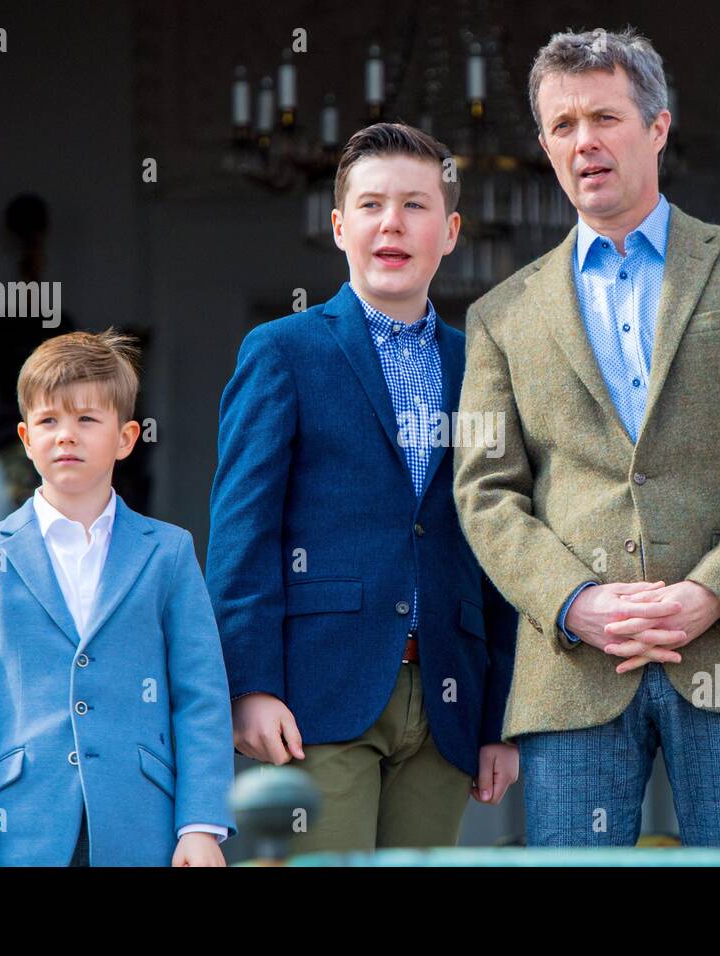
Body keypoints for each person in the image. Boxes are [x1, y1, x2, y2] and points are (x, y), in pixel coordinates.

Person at [453, 27, 720, 848]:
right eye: (561, 125)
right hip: (572, 670)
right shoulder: (500, 316)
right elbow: (484, 494)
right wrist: (574, 603)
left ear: (657, 128)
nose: (583, 141)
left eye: (604, 117)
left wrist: (713, 591)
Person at [207, 123, 518, 854]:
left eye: (415, 205)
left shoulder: (484, 366)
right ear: (340, 226)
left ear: (450, 231)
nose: (393, 223)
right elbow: (242, 533)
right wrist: (247, 686)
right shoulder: (284, 352)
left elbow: (503, 540)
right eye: (372, 204)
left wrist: (499, 719)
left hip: (449, 694)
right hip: (319, 693)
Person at [0, 330, 235, 866]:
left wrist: (201, 825)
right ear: (25, 438)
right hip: (19, 830)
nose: (65, 436)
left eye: (86, 420)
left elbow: (200, 697)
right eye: (49, 421)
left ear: (125, 437)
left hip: (143, 825)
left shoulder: (168, 552)